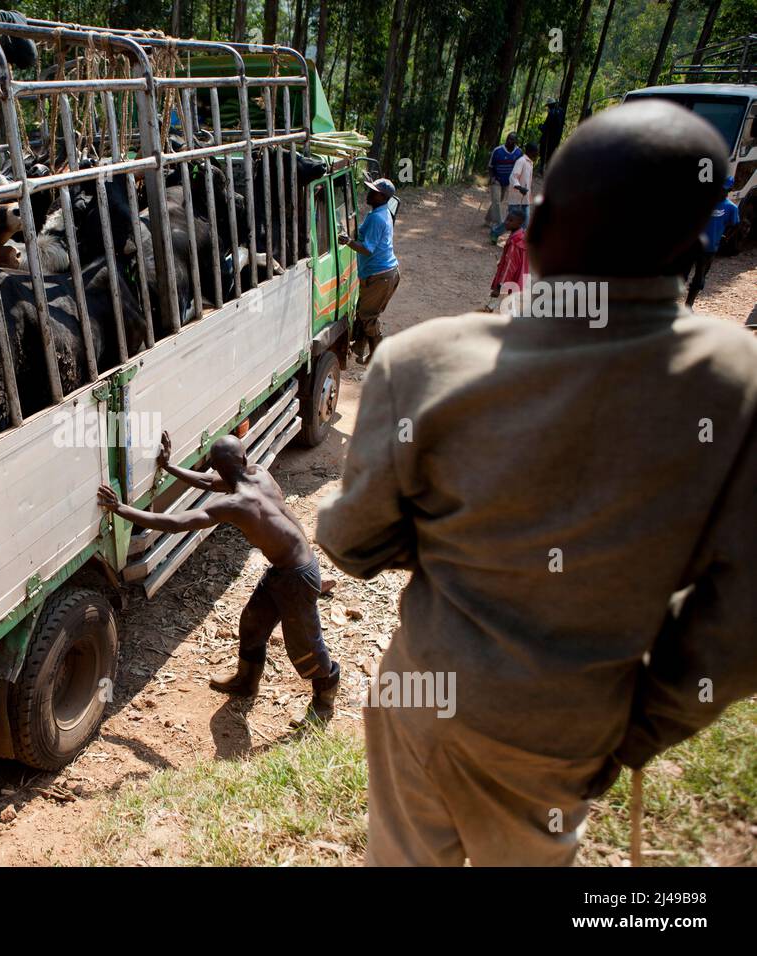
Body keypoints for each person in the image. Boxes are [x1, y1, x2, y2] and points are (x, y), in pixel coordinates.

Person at [315, 99, 757, 866]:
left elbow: (353, 545)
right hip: (564, 733)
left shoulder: (423, 361)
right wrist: (633, 731)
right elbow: (741, 629)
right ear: (699, 239)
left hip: (423, 699)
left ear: (539, 227)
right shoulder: (739, 389)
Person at [98, 431, 340, 726]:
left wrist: (120, 509)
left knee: (305, 646)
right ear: (243, 458)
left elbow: (175, 523)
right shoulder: (258, 473)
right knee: (252, 623)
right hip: (291, 569)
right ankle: (245, 682)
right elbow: (206, 482)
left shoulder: (234, 504)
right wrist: (169, 466)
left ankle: (324, 704)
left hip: (297, 578)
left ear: (217, 466)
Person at [338, 177, 399, 365]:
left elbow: (367, 248)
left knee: (368, 316)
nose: (369, 194)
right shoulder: (383, 211)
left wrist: (348, 242)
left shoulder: (376, 218)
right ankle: (360, 347)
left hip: (380, 276)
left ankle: (377, 354)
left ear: (382, 197)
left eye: (373, 192)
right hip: (383, 274)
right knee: (365, 311)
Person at [683, 175, 741, 307]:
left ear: (729, 190)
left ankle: (689, 305)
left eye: (723, 189)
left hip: (709, 250)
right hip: (691, 246)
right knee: (681, 275)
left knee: (699, 277)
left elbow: (735, 225)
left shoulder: (731, 208)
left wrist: (725, 237)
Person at [490, 142, 536, 242]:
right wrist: (520, 188)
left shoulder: (530, 163)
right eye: (535, 152)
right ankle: (495, 232)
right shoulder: (521, 161)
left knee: (525, 222)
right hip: (516, 197)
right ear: (530, 151)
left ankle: (518, 242)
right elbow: (513, 177)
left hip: (525, 199)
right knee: (510, 222)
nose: (536, 154)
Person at [486, 209, 528, 310]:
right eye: (507, 219)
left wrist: (500, 287)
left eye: (510, 220)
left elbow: (510, 267)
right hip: (517, 280)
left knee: (500, 307)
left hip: (509, 282)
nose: (506, 222)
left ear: (519, 223)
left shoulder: (515, 243)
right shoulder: (521, 237)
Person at [484, 132, 522, 230]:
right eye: (508, 139)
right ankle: (498, 224)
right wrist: (492, 177)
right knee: (496, 201)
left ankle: (488, 219)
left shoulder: (518, 152)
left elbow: (519, 168)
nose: (509, 141)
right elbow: (490, 166)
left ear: (516, 142)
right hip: (496, 180)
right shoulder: (497, 151)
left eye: (512, 140)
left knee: (498, 201)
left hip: (507, 181)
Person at [539, 98, 564, 173]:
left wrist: (540, 127)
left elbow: (546, 127)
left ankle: (543, 169)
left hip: (549, 138)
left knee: (544, 152)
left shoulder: (552, 113)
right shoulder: (561, 111)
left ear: (550, 105)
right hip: (556, 138)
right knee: (551, 153)